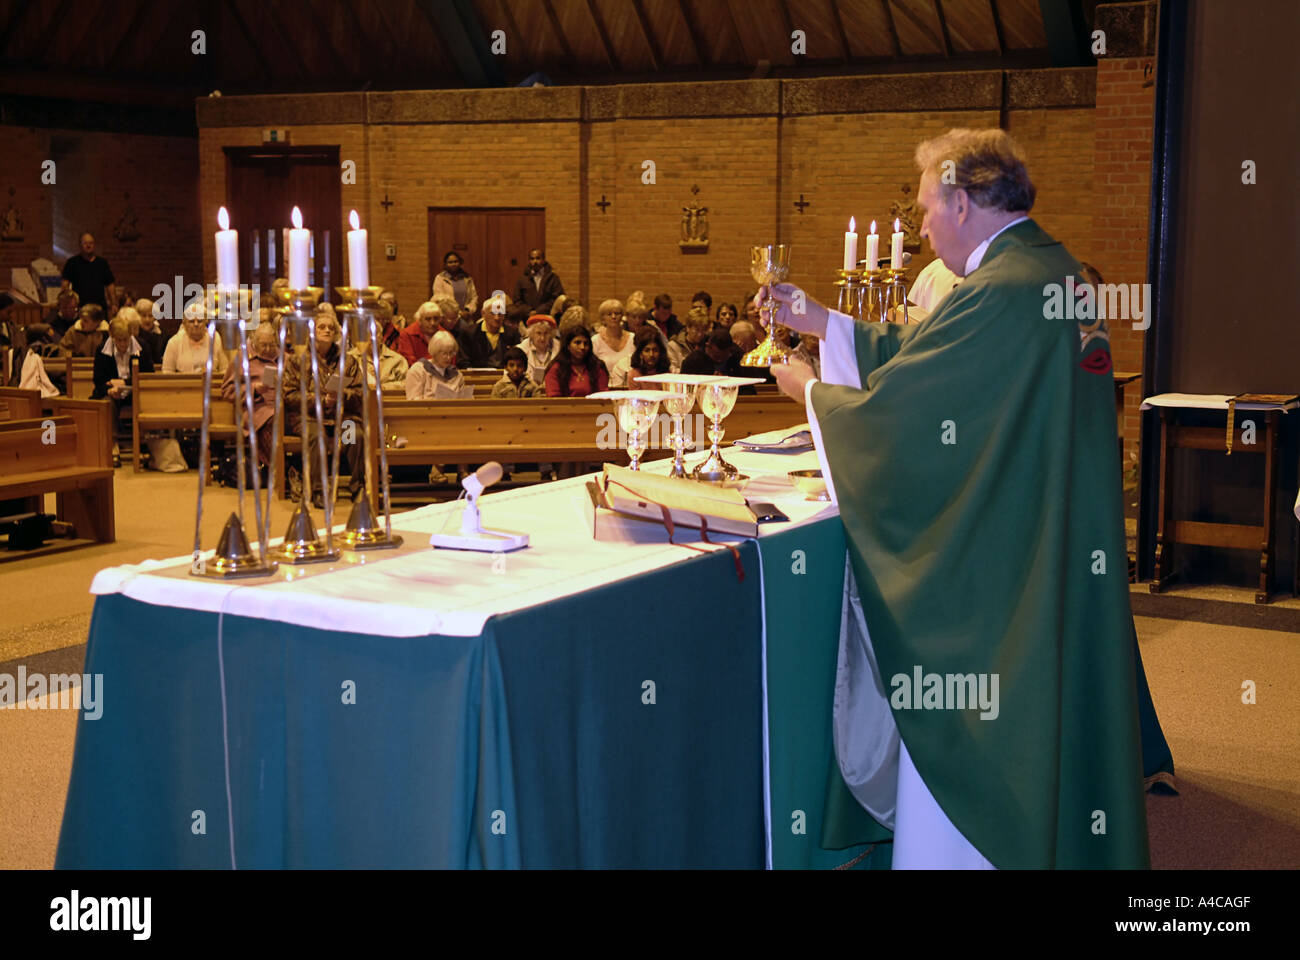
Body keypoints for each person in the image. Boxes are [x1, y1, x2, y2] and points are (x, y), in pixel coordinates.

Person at [765, 127, 1169, 869]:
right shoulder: (1055, 272)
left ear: (960, 199)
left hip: (996, 565)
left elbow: (909, 415)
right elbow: (934, 365)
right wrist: (824, 322)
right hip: (1044, 532)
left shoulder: (1002, 291)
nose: (919, 228)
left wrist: (812, 392)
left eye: (924, 209)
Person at [284, 312, 364, 506]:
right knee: (317, 437)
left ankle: (358, 487)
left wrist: (343, 395)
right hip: (309, 418)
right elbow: (288, 395)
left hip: (341, 418)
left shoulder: (348, 361)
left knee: (355, 435)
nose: (327, 330)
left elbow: (360, 391)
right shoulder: (297, 360)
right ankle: (319, 490)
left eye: (331, 327)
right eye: (322, 327)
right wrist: (319, 399)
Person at [91, 311, 155, 466]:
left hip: (136, 391)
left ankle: (146, 444)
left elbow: (148, 376)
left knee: (148, 402)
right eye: (118, 340)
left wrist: (124, 382)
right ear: (112, 337)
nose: (123, 344)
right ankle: (113, 446)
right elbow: (98, 380)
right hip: (112, 394)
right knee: (107, 403)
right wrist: (109, 390)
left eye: (126, 340)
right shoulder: (102, 350)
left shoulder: (142, 347)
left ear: (130, 335)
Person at [221, 321, 280, 472]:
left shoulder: (284, 357)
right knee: (272, 421)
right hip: (257, 409)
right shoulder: (242, 358)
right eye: (263, 345)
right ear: (254, 342)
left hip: (283, 407)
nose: (267, 349)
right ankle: (278, 471)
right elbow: (227, 390)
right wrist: (254, 389)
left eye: (271, 345)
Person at [350, 303, 408, 391]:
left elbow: (406, 384)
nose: (372, 337)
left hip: (389, 401)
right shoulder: (350, 358)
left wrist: (383, 387)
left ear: (381, 337)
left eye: (375, 333)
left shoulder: (397, 360)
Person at [680, 328, 755, 393]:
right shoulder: (693, 361)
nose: (720, 361)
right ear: (708, 347)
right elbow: (684, 389)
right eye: (716, 357)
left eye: (724, 357)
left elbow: (749, 390)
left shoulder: (739, 359)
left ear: (730, 351)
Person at [162, 303, 228, 376]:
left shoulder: (215, 338)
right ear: (184, 324)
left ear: (206, 322)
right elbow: (167, 371)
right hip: (183, 385)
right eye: (191, 321)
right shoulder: (174, 342)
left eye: (200, 321)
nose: (196, 324)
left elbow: (224, 369)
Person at [459, 293, 520, 368]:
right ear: (483, 314)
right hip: (478, 376)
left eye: (500, 314)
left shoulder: (512, 333)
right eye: (493, 313)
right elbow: (464, 362)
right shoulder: (469, 333)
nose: (497, 318)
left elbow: (517, 359)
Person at [544, 325, 607, 397]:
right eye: (577, 343)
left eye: (586, 343)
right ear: (568, 346)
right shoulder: (556, 369)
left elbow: (604, 396)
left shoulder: (597, 366)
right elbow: (553, 400)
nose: (582, 347)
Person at [61, 232, 116, 313]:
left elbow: (110, 285)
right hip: (80, 307)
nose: (88, 245)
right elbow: (65, 285)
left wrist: (114, 303)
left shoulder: (102, 263)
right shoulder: (72, 263)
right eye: (85, 243)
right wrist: (65, 304)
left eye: (91, 243)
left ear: (94, 245)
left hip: (99, 307)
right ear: (80, 245)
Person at [405, 330, 467, 400]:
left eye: (451, 353)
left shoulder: (457, 375)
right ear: (435, 352)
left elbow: (464, 400)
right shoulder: (418, 371)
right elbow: (413, 402)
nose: (449, 357)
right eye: (445, 354)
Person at [511, 248, 564, 323]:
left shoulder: (553, 278)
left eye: (538, 258)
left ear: (544, 260)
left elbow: (556, 298)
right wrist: (529, 311)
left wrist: (538, 311)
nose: (535, 261)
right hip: (527, 318)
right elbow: (517, 300)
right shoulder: (522, 279)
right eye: (532, 259)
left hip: (548, 317)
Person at [432, 251, 479, 323]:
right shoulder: (440, 279)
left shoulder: (467, 279)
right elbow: (439, 299)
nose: (453, 264)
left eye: (455, 261)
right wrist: (456, 313)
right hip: (447, 319)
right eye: (450, 262)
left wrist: (467, 310)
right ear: (445, 264)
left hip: (466, 317)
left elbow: (474, 298)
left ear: (460, 263)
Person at [591, 299, 633, 373]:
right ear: (603, 318)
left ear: (622, 316)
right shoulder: (595, 341)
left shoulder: (633, 338)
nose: (613, 317)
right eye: (609, 314)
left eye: (617, 313)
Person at [395, 301, 440, 367]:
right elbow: (409, 362)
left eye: (436, 319)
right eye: (428, 319)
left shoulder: (445, 334)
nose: (432, 323)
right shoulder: (407, 334)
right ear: (420, 320)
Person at [666, 305, 710, 372]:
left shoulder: (707, 345)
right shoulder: (674, 345)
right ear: (688, 328)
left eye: (703, 330)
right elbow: (673, 370)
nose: (700, 334)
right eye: (696, 330)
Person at [520, 313, 560, 386]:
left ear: (551, 334)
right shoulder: (521, 349)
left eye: (546, 333)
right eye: (538, 333)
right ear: (531, 334)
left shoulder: (559, 349)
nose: (542, 338)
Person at [133, 298, 165, 366]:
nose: (147, 320)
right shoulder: (134, 334)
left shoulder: (162, 334)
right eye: (144, 316)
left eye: (150, 316)